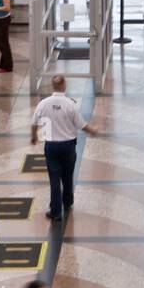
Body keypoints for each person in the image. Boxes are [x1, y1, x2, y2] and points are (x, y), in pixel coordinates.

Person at [31, 74, 98, 222]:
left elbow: (34, 122)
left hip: (51, 147)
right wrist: (93, 130)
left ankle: (55, 212)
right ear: (64, 86)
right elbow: (81, 125)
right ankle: (67, 202)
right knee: (67, 176)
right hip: (68, 146)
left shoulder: (44, 103)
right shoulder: (70, 104)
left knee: (54, 179)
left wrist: (33, 136)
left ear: (52, 86)